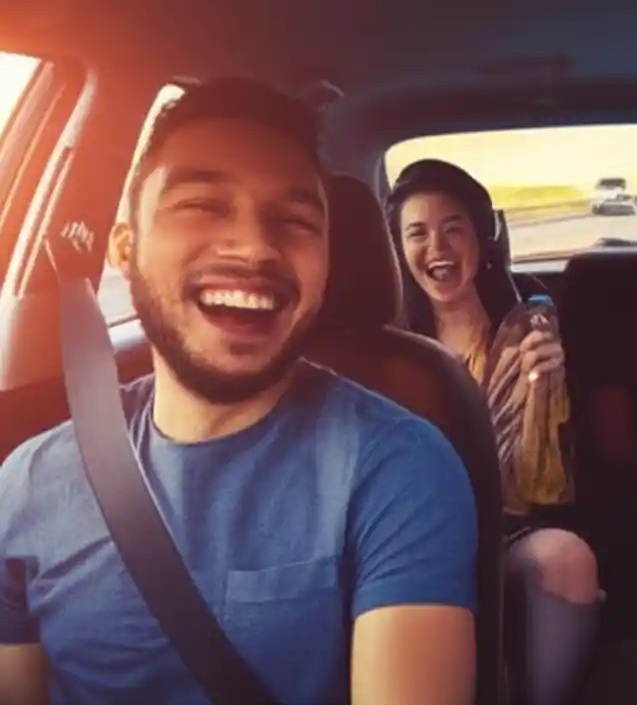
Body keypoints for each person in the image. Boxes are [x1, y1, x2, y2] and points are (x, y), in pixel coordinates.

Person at [0, 80, 477, 704]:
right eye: (201, 205)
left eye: (295, 221)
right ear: (125, 248)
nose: (255, 248)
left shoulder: (396, 468)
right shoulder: (26, 485)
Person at [386, 159, 599, 705]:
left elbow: (543, 489)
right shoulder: (389, 351)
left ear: (483, 240)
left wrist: (548, 395)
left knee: (567, 557)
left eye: (453, 228)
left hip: (504, 531)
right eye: (417, 233)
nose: (437, 247)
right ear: (398, 250)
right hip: (411, 541)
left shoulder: (529, 336)